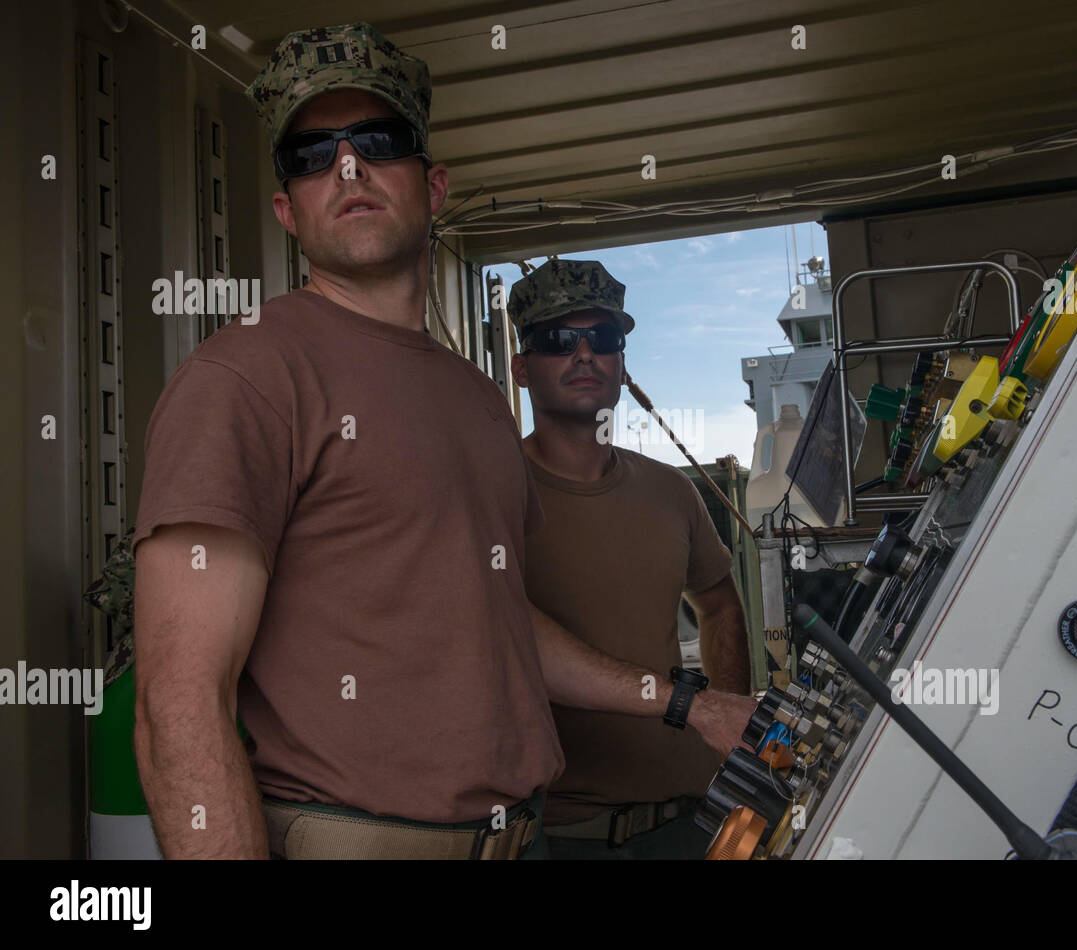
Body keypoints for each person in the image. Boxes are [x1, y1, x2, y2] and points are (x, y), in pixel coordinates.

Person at [130, 22, 753, 860]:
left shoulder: (475, 397)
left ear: (435, 187)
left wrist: (687, 704)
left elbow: (499, 624)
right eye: (313, 155)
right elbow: (178, 701)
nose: (347, 168)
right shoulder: (245, 377)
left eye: (378, 142)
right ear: (286, 209)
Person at [509, 260, 752, 859]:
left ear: (622, 362)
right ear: (520, 367)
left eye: (605, 339)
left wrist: (727, 726)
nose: (585, 353)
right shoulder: (490, 495)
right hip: (557, 836)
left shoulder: (671, 490)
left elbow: (719, 603)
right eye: (560, 340)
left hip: (688, 821)